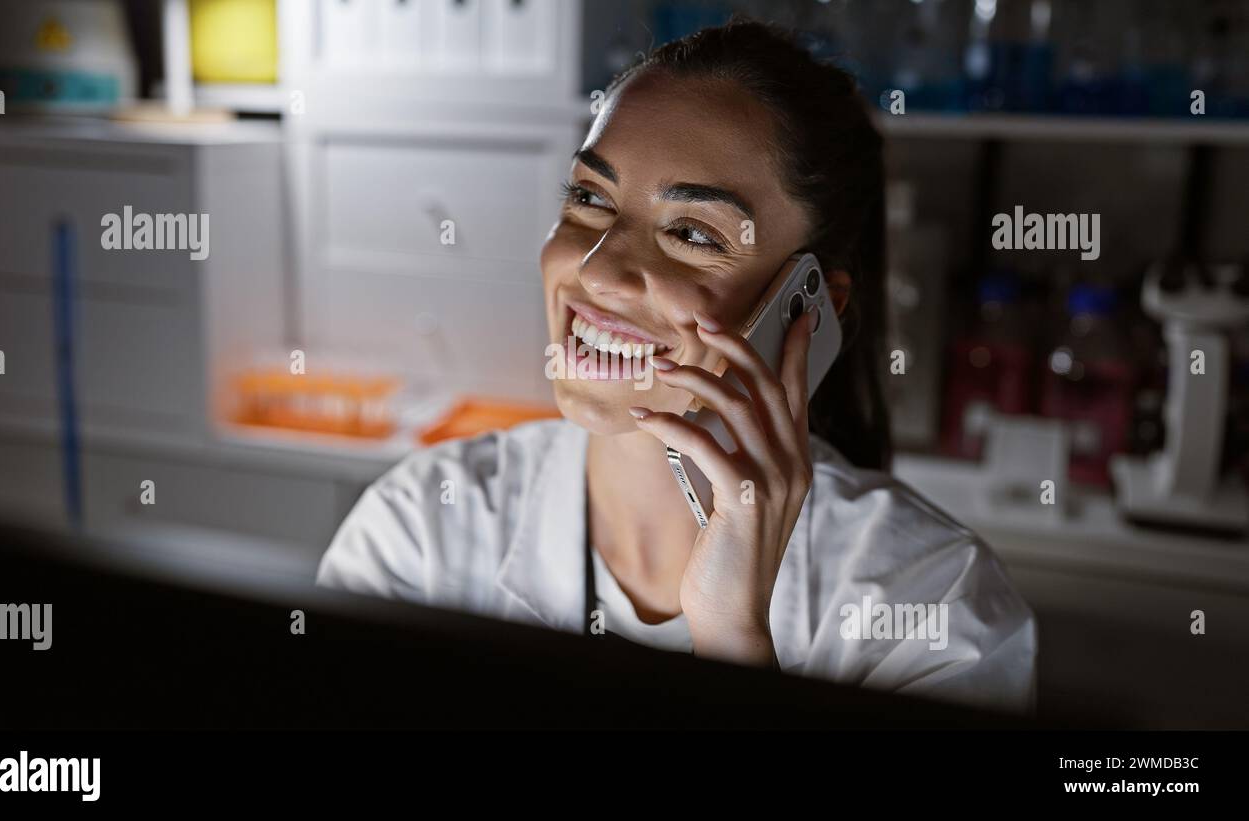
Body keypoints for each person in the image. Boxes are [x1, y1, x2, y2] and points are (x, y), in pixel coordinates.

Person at [317, 20, 1036, 714]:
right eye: (590, 199)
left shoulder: (934, 603)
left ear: (807, 308)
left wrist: (733, 636)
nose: (600, 274)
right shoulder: (416, 532)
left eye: (691, 233)